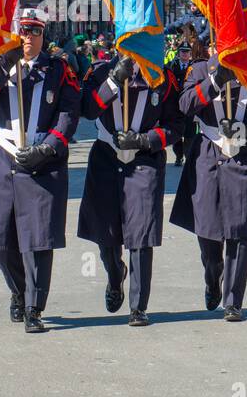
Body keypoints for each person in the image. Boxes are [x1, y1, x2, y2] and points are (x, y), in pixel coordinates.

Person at [0, 9, 80, 333]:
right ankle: (18, 290)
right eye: (23, 32)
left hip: (42, 162)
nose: (29, 38)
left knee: (39, 239)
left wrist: (50, 147)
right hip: (1, 157)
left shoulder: (58, 69)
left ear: (43, 35)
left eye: (34, 32)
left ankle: (34, 308)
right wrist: (4, 63)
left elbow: (69, 112)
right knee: (3, 238)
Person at [170, 50, 247, 322]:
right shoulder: (200, 70)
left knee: (241, 230)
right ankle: (214, 275)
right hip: (209, 156)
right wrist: (214, 82)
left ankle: (233, 301)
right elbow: (185, 105)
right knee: (208, 232)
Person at [78, 54, 183, 327]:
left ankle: (138, 306)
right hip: (105, 156)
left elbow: (175, 126)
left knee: (142, 231)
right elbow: (87, 109)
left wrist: (145, 140)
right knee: (106, 233)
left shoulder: (163, 77)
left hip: (144, 159)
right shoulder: (99, 70)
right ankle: (115, 275)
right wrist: (113, 81)